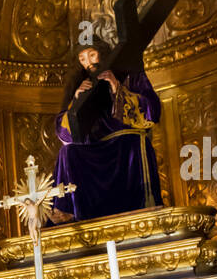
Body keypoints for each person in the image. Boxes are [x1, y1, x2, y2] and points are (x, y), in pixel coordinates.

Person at [50, 39, 163, 223]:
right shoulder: (78, 86)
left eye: (92, 55)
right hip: (94, 149)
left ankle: (143, 208)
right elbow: (63, 134)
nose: (89, 62)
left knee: (133, 142)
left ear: (102, 54)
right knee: (68, 152)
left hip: (124, 145)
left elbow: (152, 112)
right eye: (82, 58)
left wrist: (117, 88)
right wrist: (77, 102)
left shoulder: (128, 74)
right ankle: (66, 210)